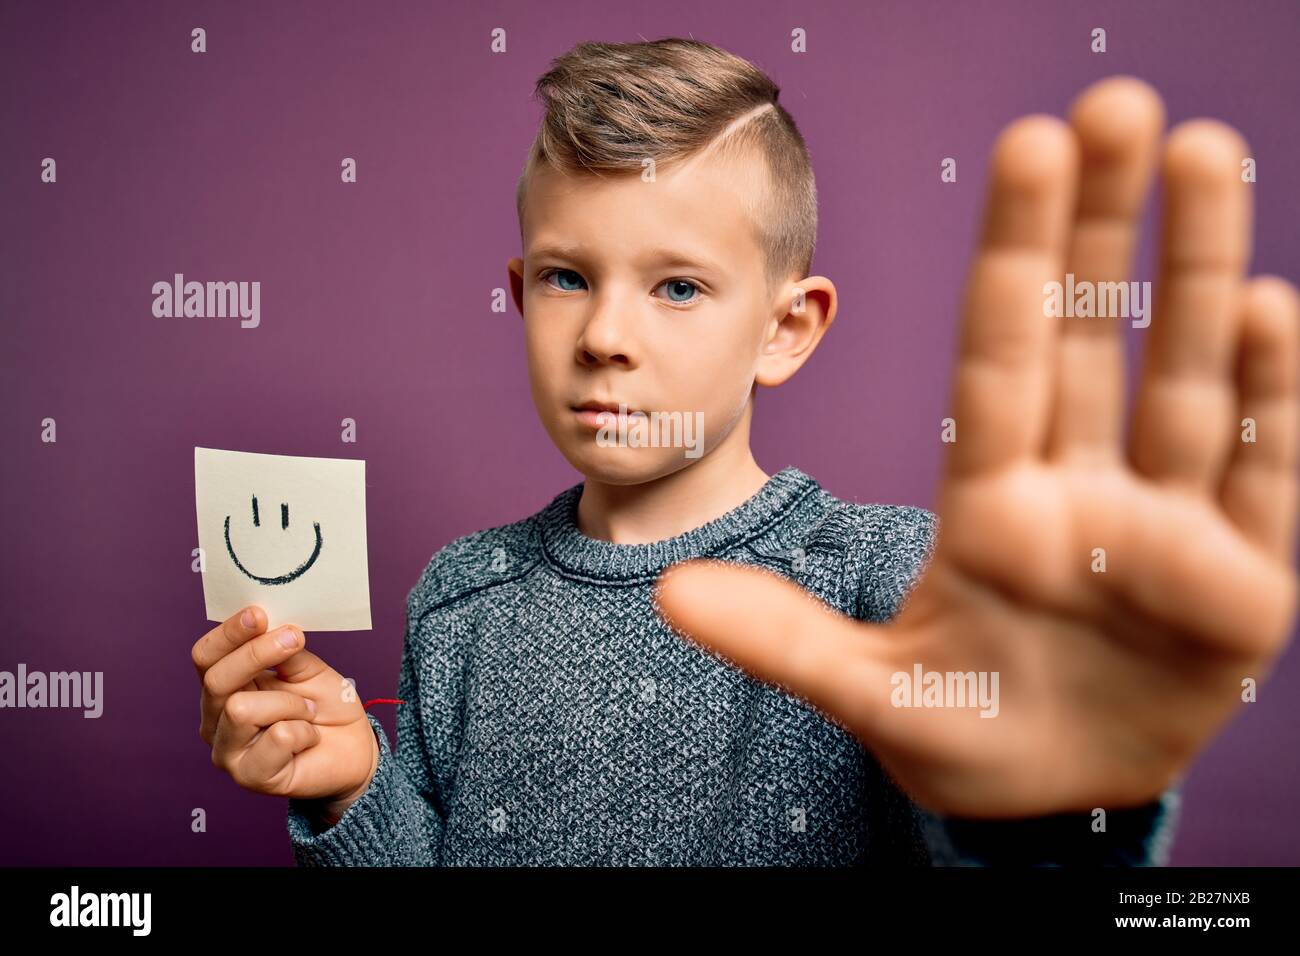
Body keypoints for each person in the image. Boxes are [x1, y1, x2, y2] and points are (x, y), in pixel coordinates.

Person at [191, 38, 1298, 865]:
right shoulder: (459, 597)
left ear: (786, 328)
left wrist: (1050, 808)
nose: (605, 337)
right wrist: (350, 795)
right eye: (567, 277)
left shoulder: (890, 580)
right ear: (520, 294)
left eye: (677, 286)